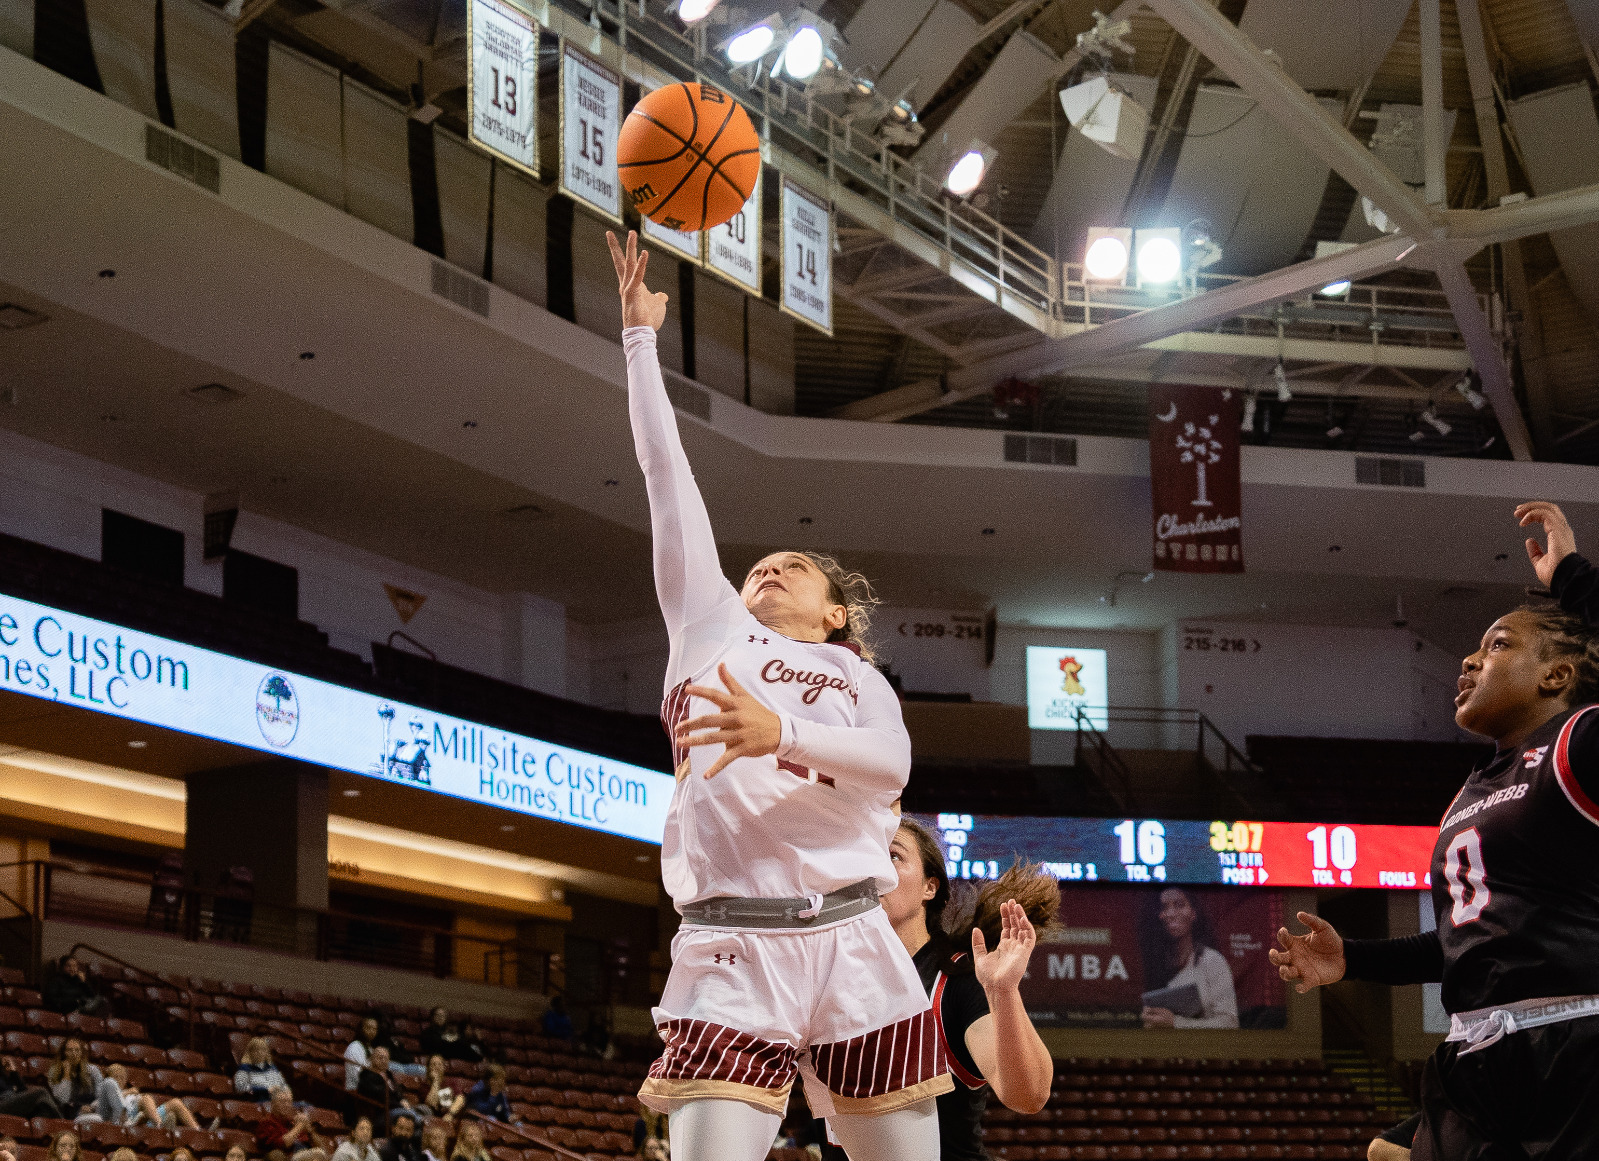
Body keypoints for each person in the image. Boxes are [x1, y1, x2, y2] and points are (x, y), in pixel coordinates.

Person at [608, 229, 948, 1161]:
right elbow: (664, 478)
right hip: (729, 942)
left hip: (852, 935)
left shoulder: (856, 677)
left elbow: (891, 766)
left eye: (795, 567)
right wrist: (640, 340)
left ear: (836, 614)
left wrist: (781, 731)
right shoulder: (708, 625)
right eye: (763, 561)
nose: (771, 566)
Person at [1270, 499, 1599, 1161]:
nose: (1469, 662)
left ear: (1556, 673)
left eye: (1497, 644)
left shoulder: (1578, 742)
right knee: (1381, 1152)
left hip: (1574, 1041)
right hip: (1474, 1052)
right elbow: (1461, 940)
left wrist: (1571, 576)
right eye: (1472, 650)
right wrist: (1352, 960)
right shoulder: (1470, 788)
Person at [888, 820, 1059, 1161]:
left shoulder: (958, 980)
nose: (876, 868)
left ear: (929, 887)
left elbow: (1028, 1096)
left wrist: (1003, 993)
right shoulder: (830, 977)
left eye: (893, 855)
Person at [1138, 887, 1240, 1029]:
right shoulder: (1154, 962)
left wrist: (1176, 1023)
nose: (1171, 914)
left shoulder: (1211, 960)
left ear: (1193, 913)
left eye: (1179, 905)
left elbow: (1230, 1023)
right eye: (1164, 907)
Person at [46, 1039, 112, 1120]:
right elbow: (63, 1099)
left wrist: (92, 1107)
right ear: (64, 1053)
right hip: (69, 1113)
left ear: (81, 1052)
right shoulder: (54, 1071)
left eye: (77, 1050)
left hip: (93, 1109)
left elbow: (101, 1094)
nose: (74, 1054)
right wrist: (66, 1075)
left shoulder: (92, 1070)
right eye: (70, 1050)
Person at [258, 1087, 327, 1161]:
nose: (286, 1105)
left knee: (320, 1153)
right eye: (282, 1101)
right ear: (273, 1103)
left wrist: (309, 1130)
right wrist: (300, 1126)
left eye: (289, 1102)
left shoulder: (293, 1121)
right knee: (317, 1154)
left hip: (303, 1155)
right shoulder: (266, 1122)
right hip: (285, 1157)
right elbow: (281, 1145)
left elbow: (321, 1147)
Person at [1, 1053, 61, 1118]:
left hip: (12, 1101)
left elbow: (23, 1090)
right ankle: (64, 1122)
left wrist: (13, 1072)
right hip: (2, 1104)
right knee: (41, 1092)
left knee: (43, 1110)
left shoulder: (2, 1070)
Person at [412, 1056, 462, 1121]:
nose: (437, 1067)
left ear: (444, 1068)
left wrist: (450, 1114)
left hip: (450, 1116)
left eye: (440, 1064)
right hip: (432, 1118)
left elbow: (460, 1098)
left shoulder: (450, 1083)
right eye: (433, 1064)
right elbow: (431, 1104)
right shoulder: (424, 1086)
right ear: (428, 1068)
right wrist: (436, 1081)